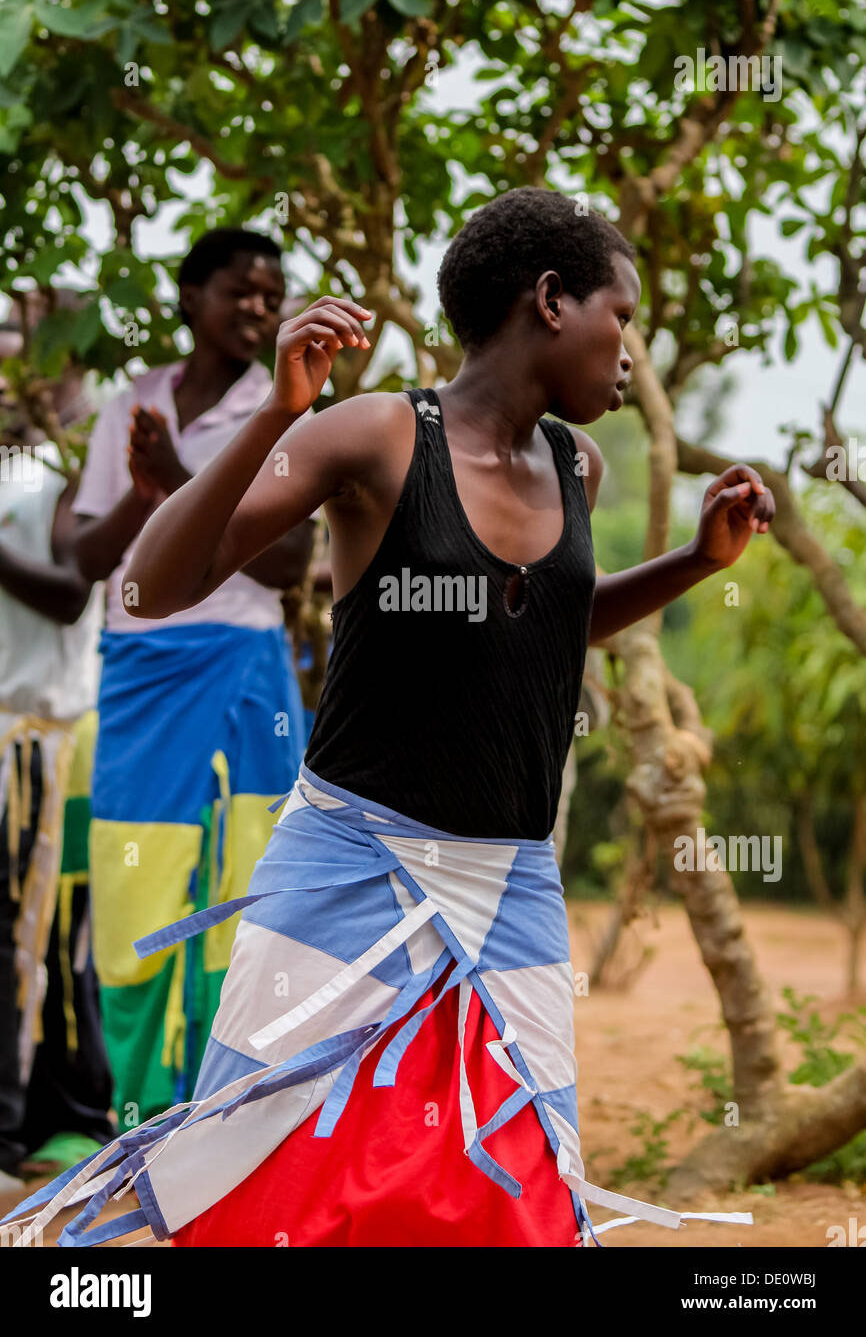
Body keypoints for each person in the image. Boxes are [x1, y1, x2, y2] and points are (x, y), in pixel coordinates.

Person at [3, 188, 773, 1247]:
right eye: (622, 314)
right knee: (259, 1171)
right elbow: (150, 585)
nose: (630, 348)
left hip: (510, 883)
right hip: (348, 863)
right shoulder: (374, 434)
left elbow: (550, 623)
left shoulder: (575, 464)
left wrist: (696, 560)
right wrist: (279, 412)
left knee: (517, 1189)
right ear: (549, 301)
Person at [70, 228, 315, 1131]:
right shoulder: (128, 405)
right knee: (133, 882)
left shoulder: (284, 412)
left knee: (243, 886)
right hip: (137, 670)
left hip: (243, 669)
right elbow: (85, 556)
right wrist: (144, 496)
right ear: (188, 295)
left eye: (271, 295)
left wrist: (177, 478)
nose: (258, 309)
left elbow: (288, 563)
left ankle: (230, 1121)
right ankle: (138, 1117)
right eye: (239, 291)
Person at [0, 314, 113, 1196]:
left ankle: (39, 1128)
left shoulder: (75, 465)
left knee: (36, 938)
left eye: (24, 338)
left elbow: (74, 595)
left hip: (39, 741)